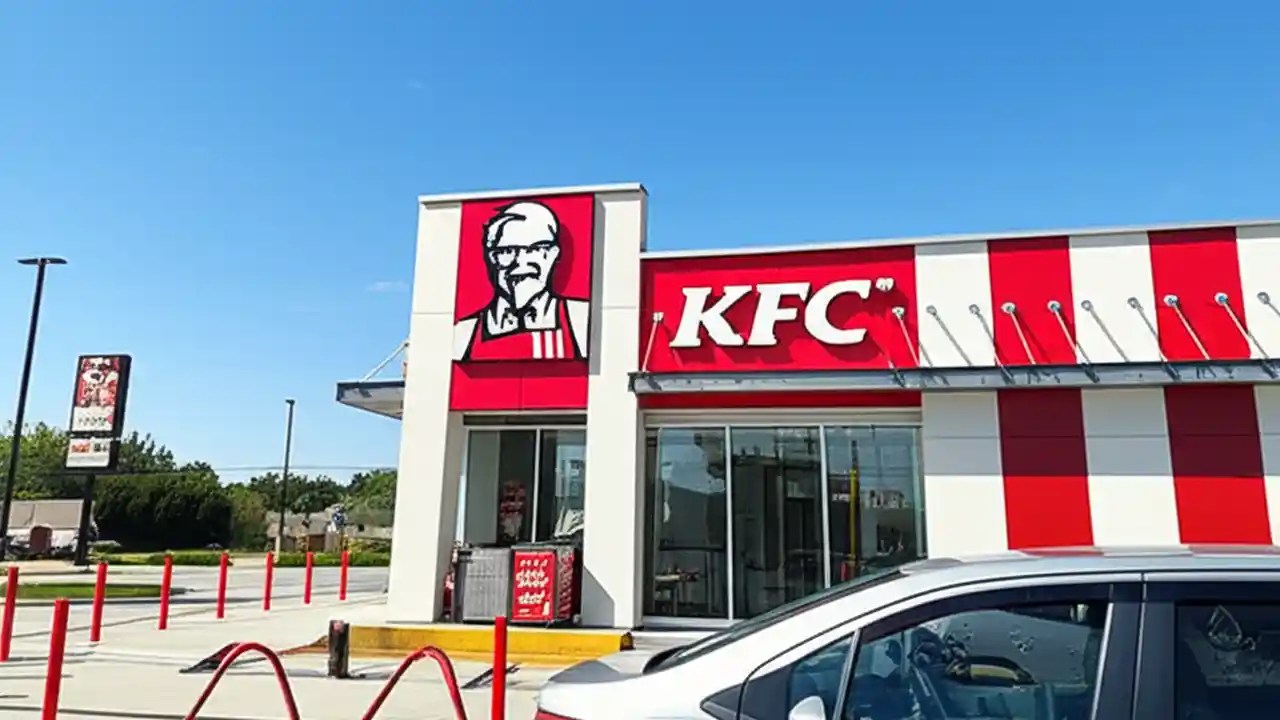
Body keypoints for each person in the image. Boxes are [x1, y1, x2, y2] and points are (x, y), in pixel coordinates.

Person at [453, 200, 589, 362]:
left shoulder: (581, 319)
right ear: (491, 257)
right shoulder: (464, 333)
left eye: (535, 249)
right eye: (507, 251)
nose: (520, 262)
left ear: (553, 254)